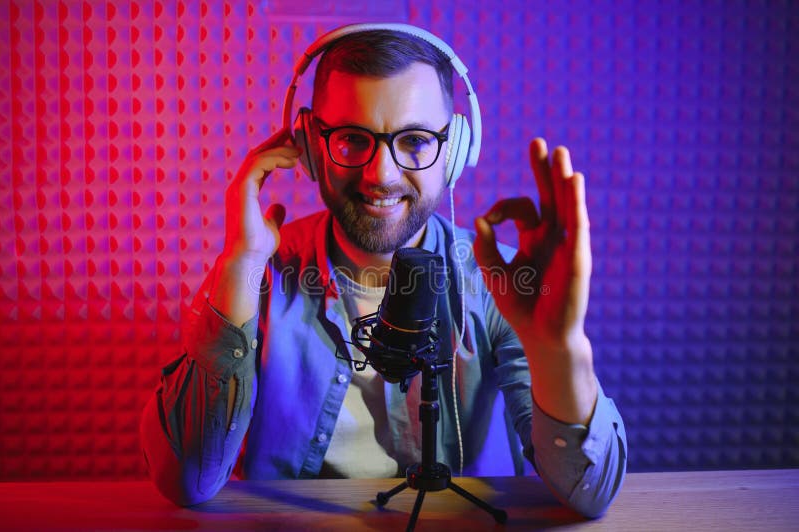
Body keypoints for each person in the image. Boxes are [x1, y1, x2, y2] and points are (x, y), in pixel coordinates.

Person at [139, 24, 627, 518]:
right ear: (310, 145)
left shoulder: (497, 281)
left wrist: (559, 348)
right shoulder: (256, 272)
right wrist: (241, 264)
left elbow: (588, 494)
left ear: (455, 150)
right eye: (352, 139)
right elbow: (186, 482)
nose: (382, 175)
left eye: (415, 140)